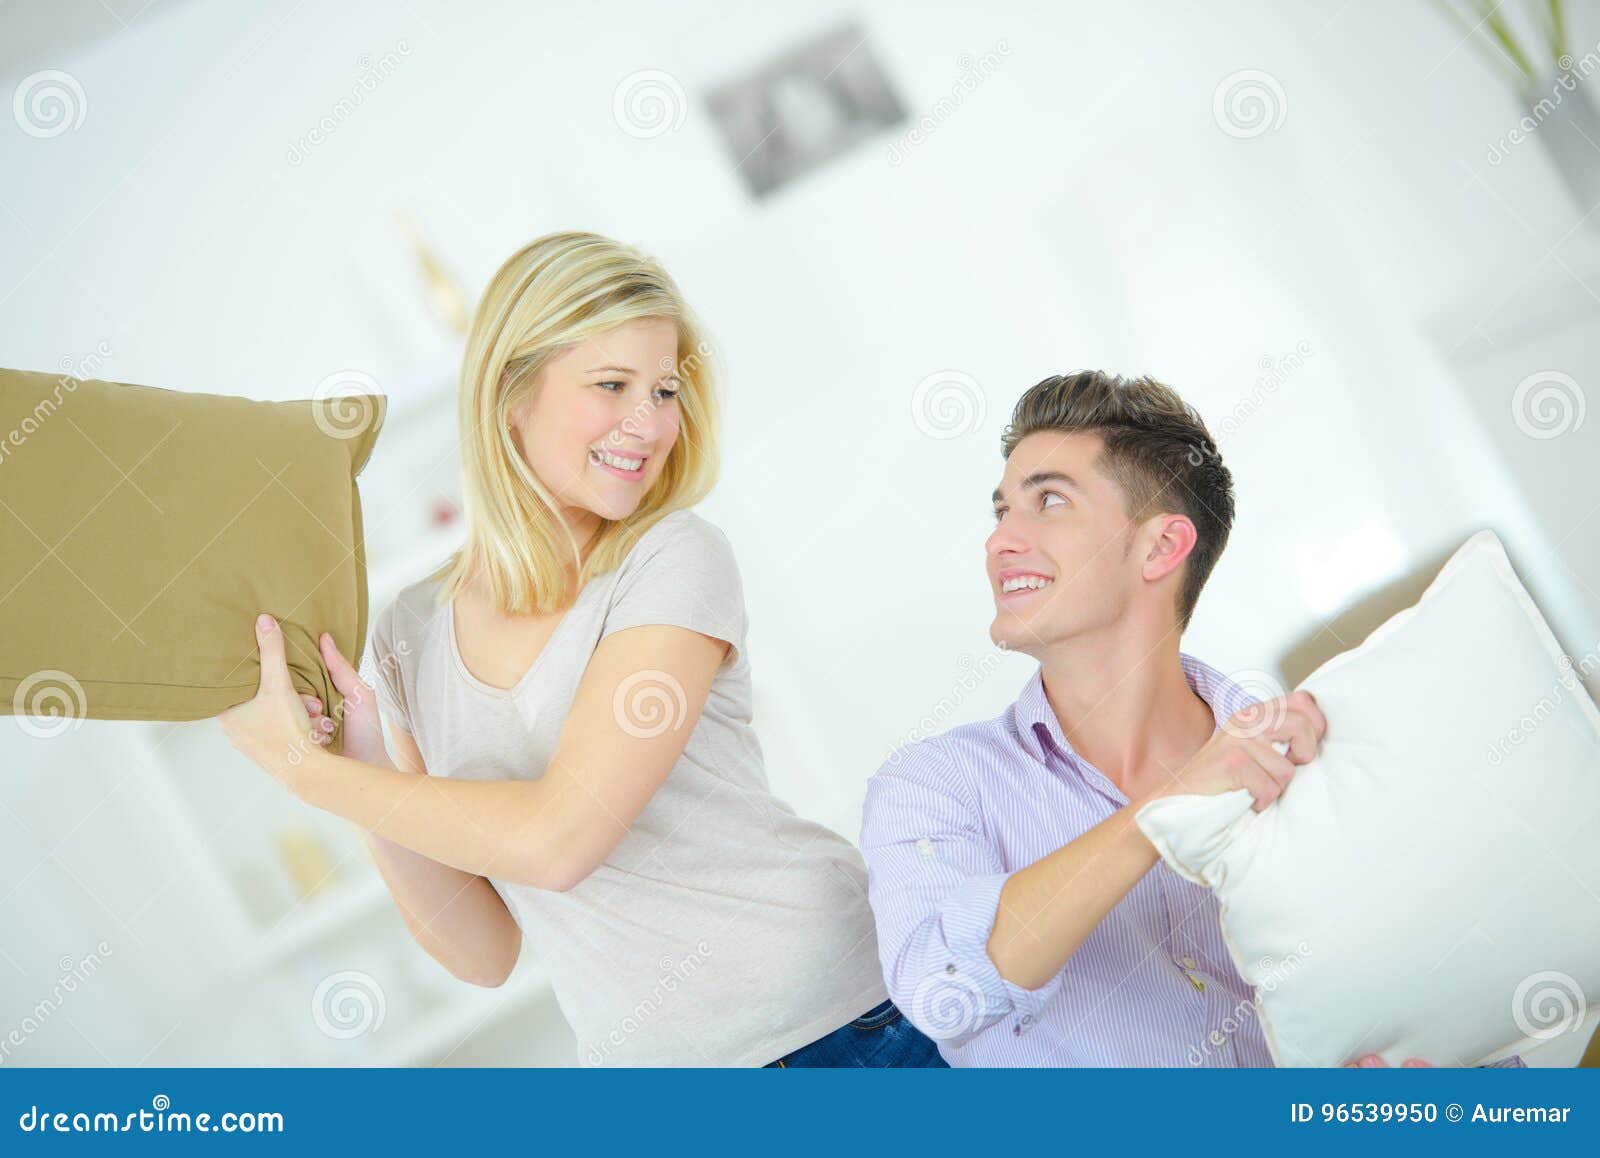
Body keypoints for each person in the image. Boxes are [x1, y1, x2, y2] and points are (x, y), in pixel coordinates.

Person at [220, 231, 943, 1068]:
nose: (649, 424)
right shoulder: (409, 631)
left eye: (665, 390)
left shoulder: (670, 559)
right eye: (613, 385)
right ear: (510, 394)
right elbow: (482, 953)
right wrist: (363, 766)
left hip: (843, 1029)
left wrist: (311, 776)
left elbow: (561, 839)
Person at [858, 370, 1523, 1069]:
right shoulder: (932, 787)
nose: (1000, 542)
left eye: (1048, 500)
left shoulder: (1317, 759)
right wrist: (1171, 807)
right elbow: (941, 992)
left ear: (1161, 547)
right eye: (1001, 512)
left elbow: (1461, 1019)